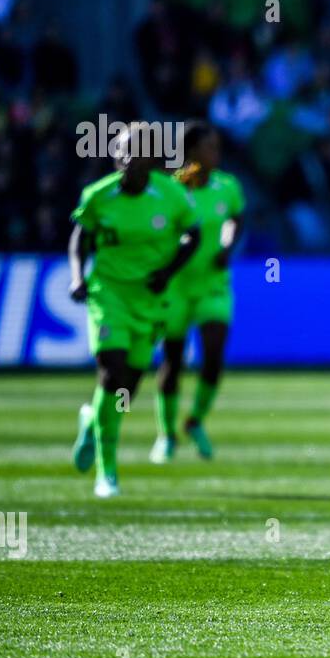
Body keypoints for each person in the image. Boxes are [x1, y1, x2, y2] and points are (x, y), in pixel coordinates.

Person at [68, 130, 201, 498]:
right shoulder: (98, 195)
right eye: (120, 153)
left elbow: (194, 234)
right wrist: (78, 276)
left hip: (150, 300)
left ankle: (91, 420)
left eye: (134, 154)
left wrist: (168, 272)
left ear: (151, 161)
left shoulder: (171, 193)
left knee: (127, 387)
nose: (125, 160)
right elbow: (80, 235)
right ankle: (107, 472)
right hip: (108, 293)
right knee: (112, 373)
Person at [151, 122, 244, 462]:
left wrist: (227, 244)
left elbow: (237, 218)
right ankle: (166, 435)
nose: (215, 154)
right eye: (209, 148)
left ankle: (194, 420)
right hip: (175, 285)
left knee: (214, 357)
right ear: (190, 152)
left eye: (217, 147)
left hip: (212, 284)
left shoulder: (227, 186)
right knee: (172, 361)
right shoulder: (175, 187)